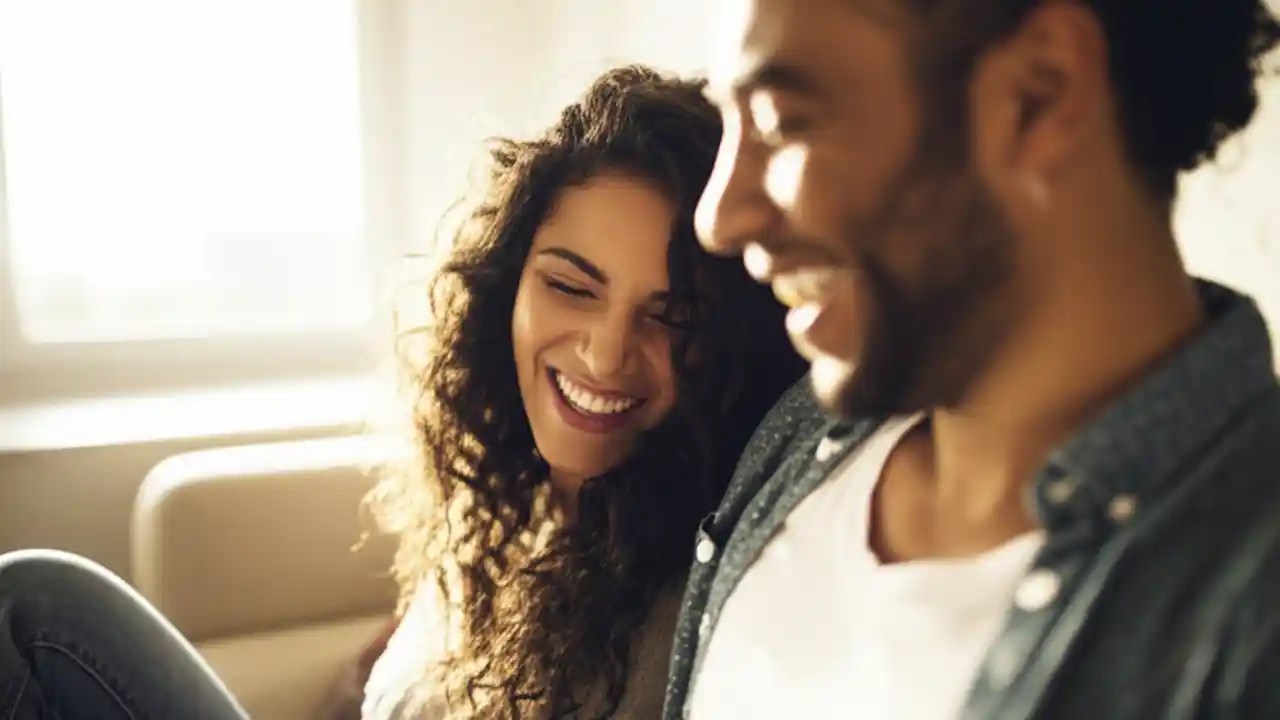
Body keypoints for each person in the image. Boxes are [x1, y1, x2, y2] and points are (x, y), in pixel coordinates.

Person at [0, 66, 805, 720]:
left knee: (36, 612)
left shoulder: (693, 600)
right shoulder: (507, 505)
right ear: (507, 291)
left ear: (724, 347)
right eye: (570, 285)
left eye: (669, 317)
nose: (605, 352)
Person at [664, 1, 1280, 719]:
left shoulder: (1255, 623)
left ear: (1037, 94)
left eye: (781, 121)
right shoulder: (804, 432)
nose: (718, 216)